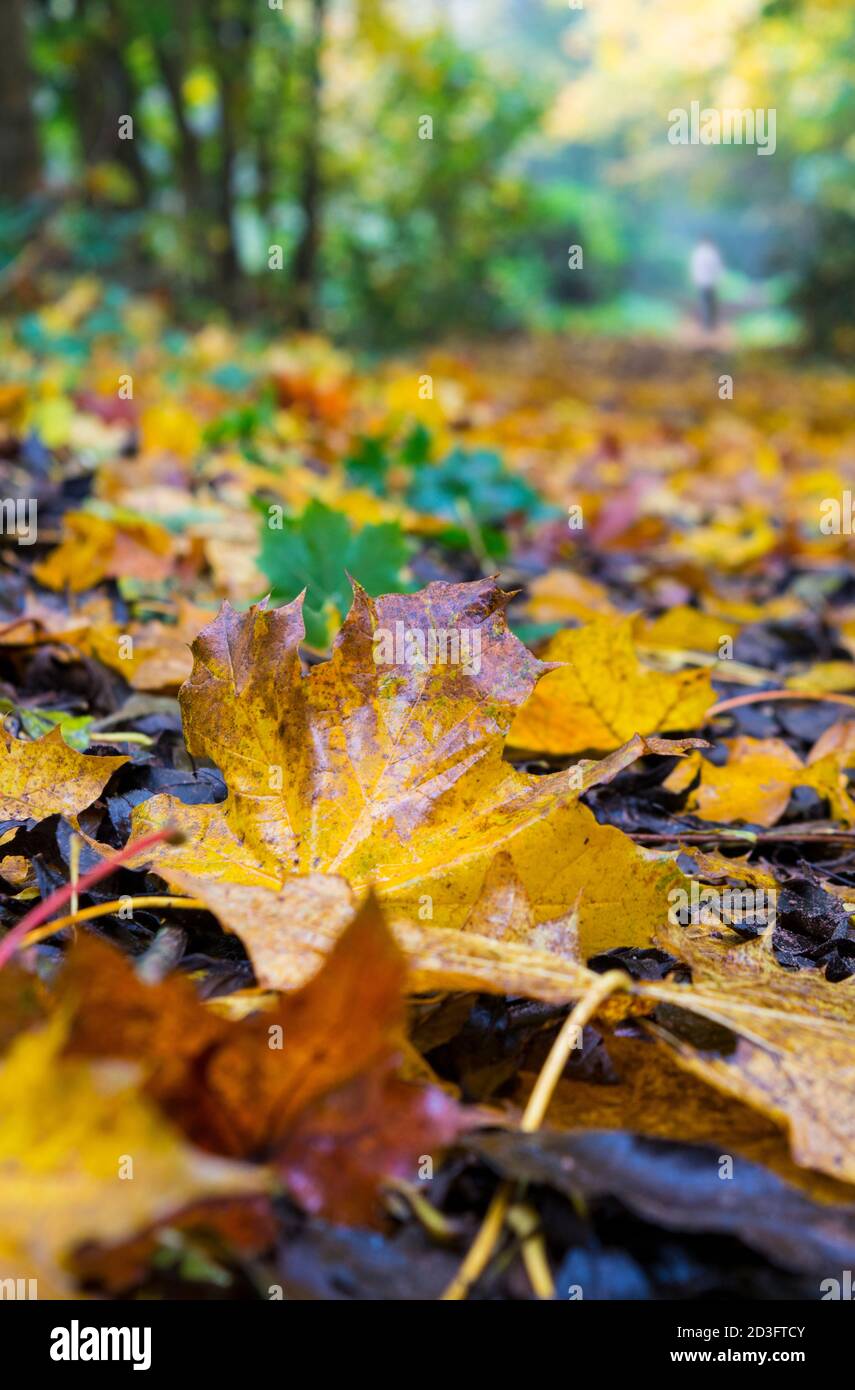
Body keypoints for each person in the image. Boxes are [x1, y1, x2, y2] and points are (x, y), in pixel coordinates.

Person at [690, 238, 724, 332]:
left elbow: (694, 268)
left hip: (702, 281)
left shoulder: (698, 253)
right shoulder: (713, 252)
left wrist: (695, 279)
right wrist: (719, 280)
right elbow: (718, 268)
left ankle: (706, 325)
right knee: (711, 304)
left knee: (704, 303)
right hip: (711, 282)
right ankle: (711, 325)